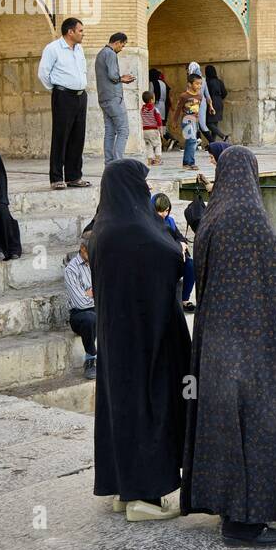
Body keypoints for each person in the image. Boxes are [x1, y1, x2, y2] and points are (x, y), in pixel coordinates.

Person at [179, 145, 276, 546]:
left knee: (223, 427)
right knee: (254, 426)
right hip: (250, 345)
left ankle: (229, 509)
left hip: (215, 345)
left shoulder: (212, 216)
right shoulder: (248, 215)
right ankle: (243, 522)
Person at [91, 159, 191, 521]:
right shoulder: (132, 229)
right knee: (149, 407)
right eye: (144, 184)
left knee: (121, 408)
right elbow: (169, 258)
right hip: (145, 339)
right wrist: (179, 252)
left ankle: (123, 487)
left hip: (117, 340)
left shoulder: (104, 227)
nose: (148, 192)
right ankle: (143, 498)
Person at [38, 17, 90, 190]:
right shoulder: (53, 49)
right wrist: (58, 89)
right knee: (61, 136)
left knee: (77, 137)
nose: (83, 33)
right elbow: (43, 73)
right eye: (80, 30)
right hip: (64, 96)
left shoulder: (79, 49)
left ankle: (74, 176)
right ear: (70, 32)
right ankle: (56, 178)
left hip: (80, 96)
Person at [94, 32, 134, 165]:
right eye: (122, 45)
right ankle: (117, 163)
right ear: (117, 42)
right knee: (123, 130)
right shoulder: (110, 53)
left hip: (104, 98)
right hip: (113, 97)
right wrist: (122, 78)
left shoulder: (100, 54)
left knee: (110, 132)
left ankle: (109, 164)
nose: (121, 48)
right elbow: (112, 75)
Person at [153, 193, 196, 311]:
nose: (164, 214)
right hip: (158, 260)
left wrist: (182, 246)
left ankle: (185, 299)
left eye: (166, 210)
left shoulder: (170, 221)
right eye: (160, 211)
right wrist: (177, 246)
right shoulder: (148, 223)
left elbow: (180, 237)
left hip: (175, 257)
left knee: (190, 265)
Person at [65, 236, 98, 378]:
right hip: (79, 315)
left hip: (98, 309)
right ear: (83, 248)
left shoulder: (98, 262)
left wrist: (91, 293)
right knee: (90, 318)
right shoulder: (71, 270)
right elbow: (81, 303)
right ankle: (90, 360)